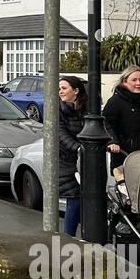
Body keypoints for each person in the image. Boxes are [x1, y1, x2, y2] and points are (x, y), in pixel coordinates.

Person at [56, 75, 87, 236]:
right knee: (73, 200)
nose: (60, 91)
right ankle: (68, 238)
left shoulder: (87, 108)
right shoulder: (58, 109)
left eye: (64, 88)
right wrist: (78, 148)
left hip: (86, 159)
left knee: (86, 201)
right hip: (67, 160)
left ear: (75, 91)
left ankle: (85, 237)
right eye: (60, 88)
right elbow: (60, 133)